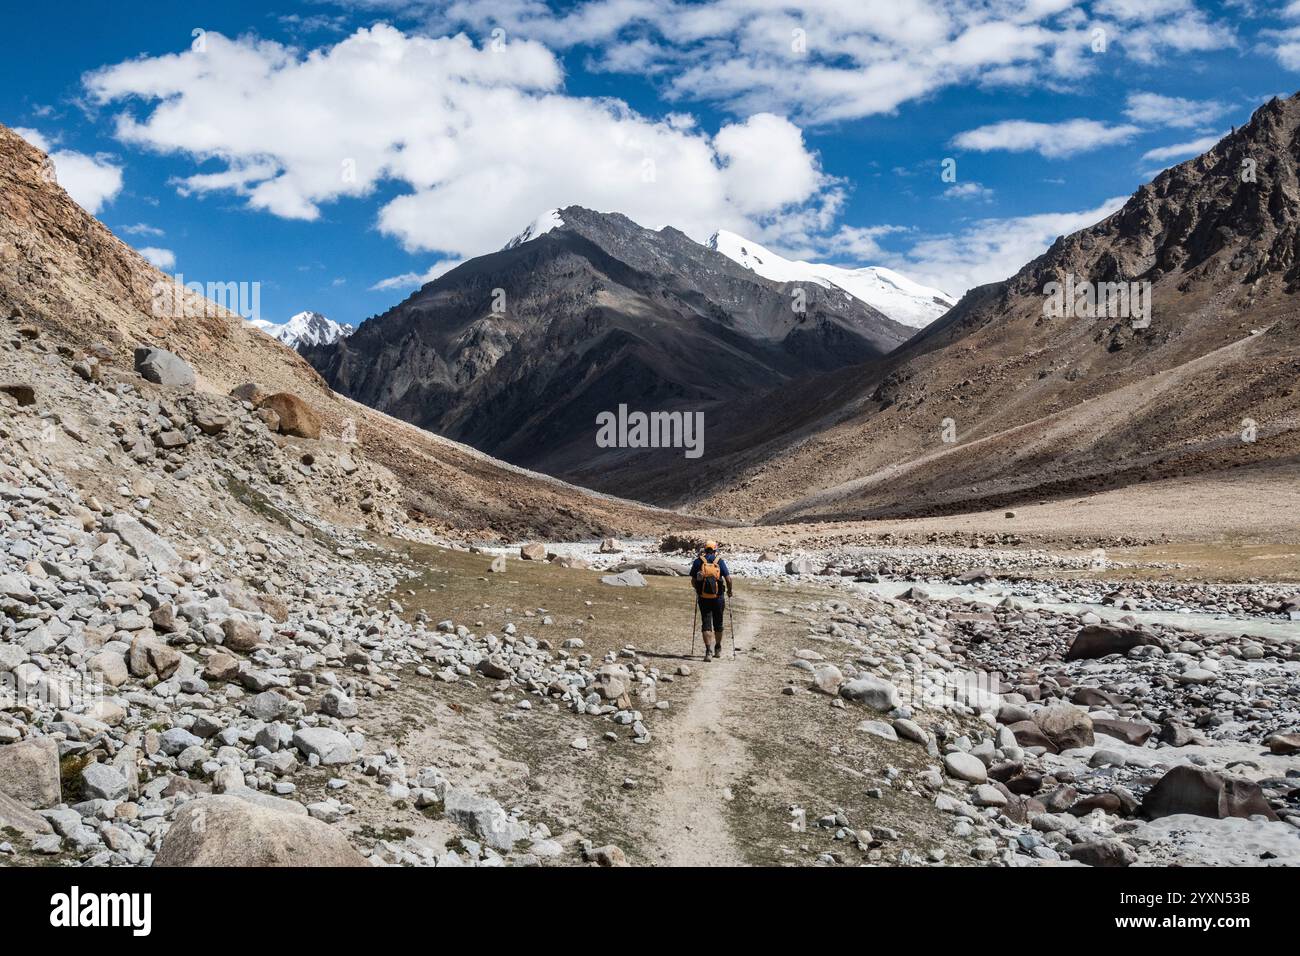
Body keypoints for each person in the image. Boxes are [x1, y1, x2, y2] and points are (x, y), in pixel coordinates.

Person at [689, 540, 732, 661]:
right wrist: (729, 591)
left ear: (705, 549)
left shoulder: (698, 561)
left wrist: (698, 589)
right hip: (718, 598)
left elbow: (693, 580)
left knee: (706, 623)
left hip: (703, 597)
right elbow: (728, 580)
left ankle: (708, 651)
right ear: (715, 550)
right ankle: (718, 648)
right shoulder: (719, 561)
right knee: (718, 623)